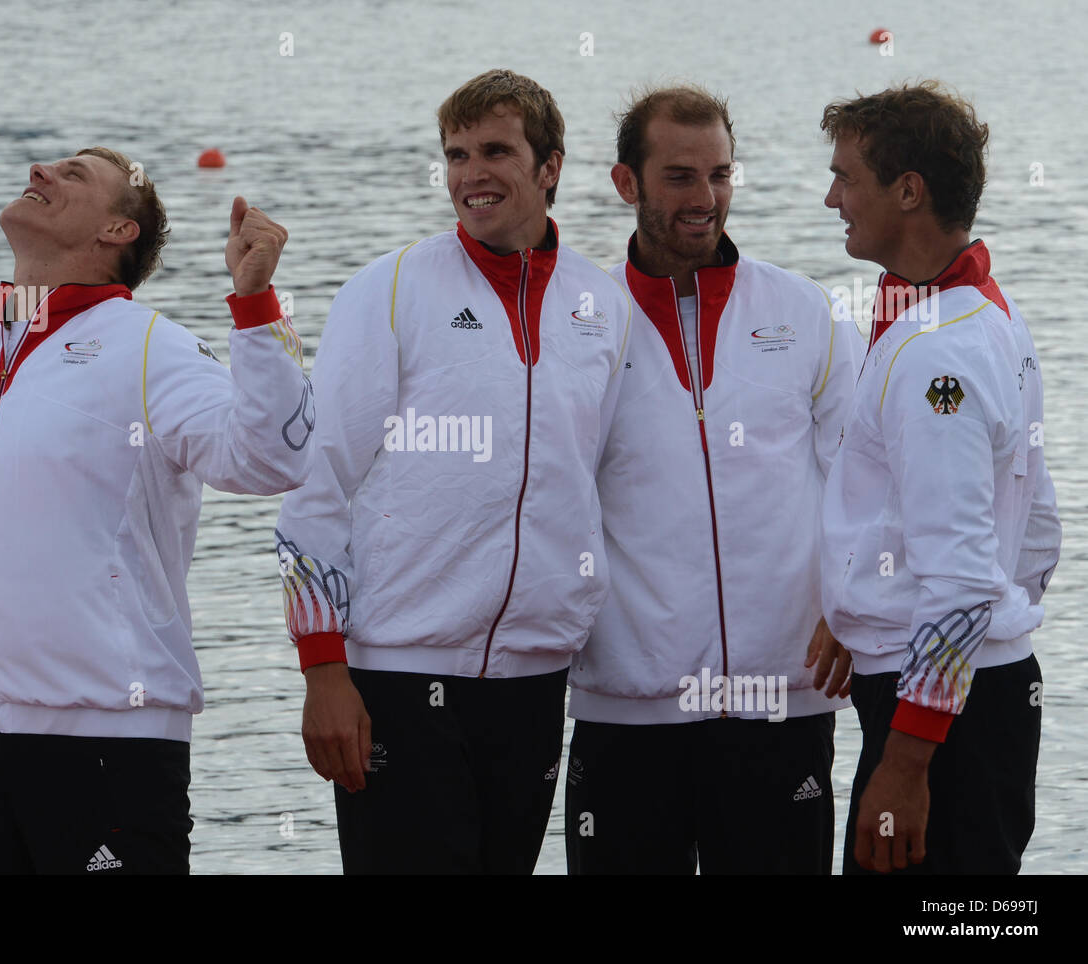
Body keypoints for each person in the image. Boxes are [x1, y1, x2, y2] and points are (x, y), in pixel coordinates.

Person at [0, 147, 313, 874]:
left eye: (74, 174)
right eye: (48, 166)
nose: (42, 172)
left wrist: (254, 305)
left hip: (114, 743)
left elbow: (274, 458)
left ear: (119, 231)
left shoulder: (155, 349)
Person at [273, 68, 632, 874]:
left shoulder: (602, 304)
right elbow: (316, 483)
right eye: (455, 154)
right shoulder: (391, 288)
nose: (470, 175)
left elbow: (592, 481)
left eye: (495, 151)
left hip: (536, 679)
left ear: (550, 167)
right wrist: (323, 668)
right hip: (398, 678)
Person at [564, 85, 863, 874]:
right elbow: (542, 496)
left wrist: (852, 599)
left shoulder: (807, 313)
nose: (706, 199)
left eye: (720, 175)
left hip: (780, 696)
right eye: (680, 178)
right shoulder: (581, 321)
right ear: (626, 183)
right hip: (627, 703)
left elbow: (866, 477)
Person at [818, 81, 1061, 874]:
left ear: (909, 191)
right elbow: (1037, 533)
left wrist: (905, 765)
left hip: (939, 720)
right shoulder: (990, 312)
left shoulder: (933, 354)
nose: (831, 198)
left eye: (847, 177)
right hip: (973, 694)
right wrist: (863, 606)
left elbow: (959, 581)